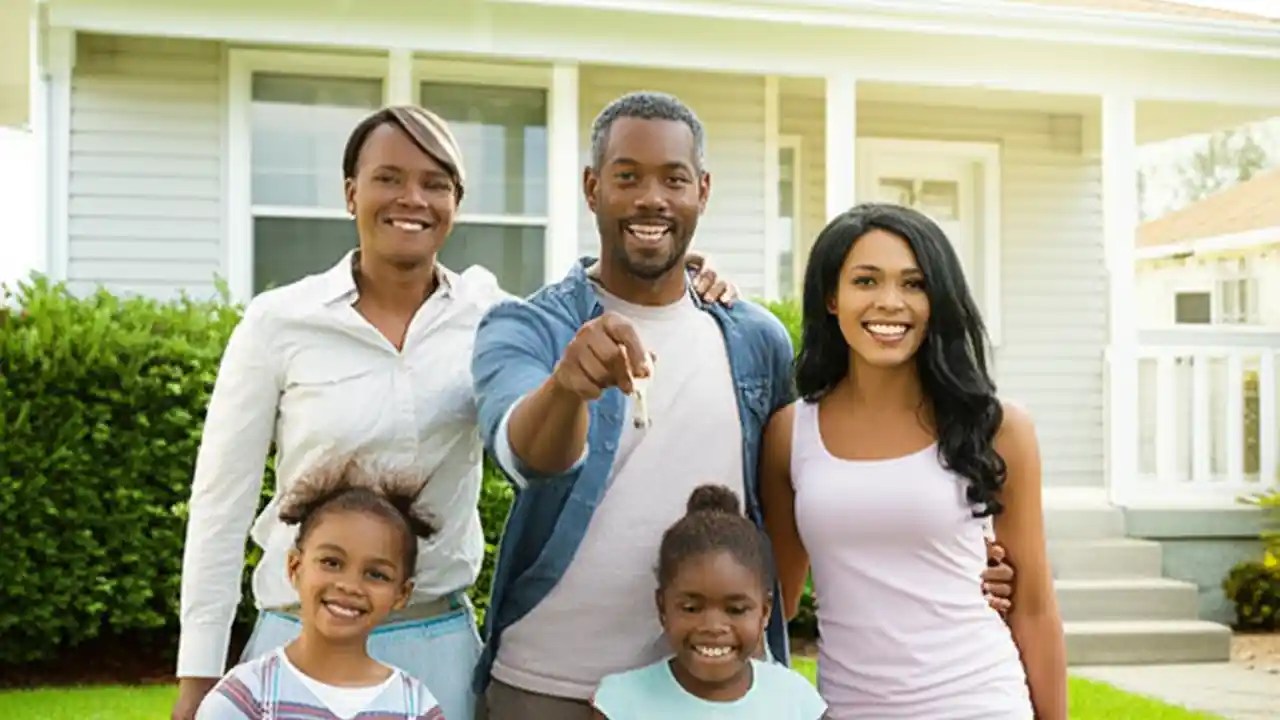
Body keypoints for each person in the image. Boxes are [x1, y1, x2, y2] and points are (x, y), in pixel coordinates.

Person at [171, 104, 736, 720]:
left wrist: (696, 277)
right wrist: (198, 677)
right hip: (299, 637)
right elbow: (220, 506)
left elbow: (598, 307)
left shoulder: (488, 315)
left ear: (456, 203)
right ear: (351, 191)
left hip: (437, 642)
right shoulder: (279, 322)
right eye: (389, 178)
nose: (412, 198)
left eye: (435, 184)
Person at [470, 91, 1017, 720]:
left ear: (702, 191)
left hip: (720, 694)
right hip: (551, 686)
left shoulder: (754, 339)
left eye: (674, 179)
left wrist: (967, 563)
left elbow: (816, 497)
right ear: (592, 187)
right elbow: (523, 453)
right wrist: (569, 386)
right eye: (628, 177)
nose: (652, 198)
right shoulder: (526, 328)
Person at [759, 203, 1067, 719]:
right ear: (831, 298)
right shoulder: (790, 434)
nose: (890, 303)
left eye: (914, 284)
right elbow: (774, 609)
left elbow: (1034, 610)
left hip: (979, 702)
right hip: (849, 708)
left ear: (937, 300)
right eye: (866, 280)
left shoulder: (998, 428)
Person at [195, 459, 443, 719]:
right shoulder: (246, 699)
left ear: (402, 594)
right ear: (295, 567)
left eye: (375, 574)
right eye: (331, 563)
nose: (349, 586)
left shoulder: (415, 707)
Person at [590, 484, 827, 720]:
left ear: (765, 612)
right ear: (662, 607)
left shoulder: (795, 701)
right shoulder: (620, 704)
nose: (713, 626)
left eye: (735, 610)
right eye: (692, 608)